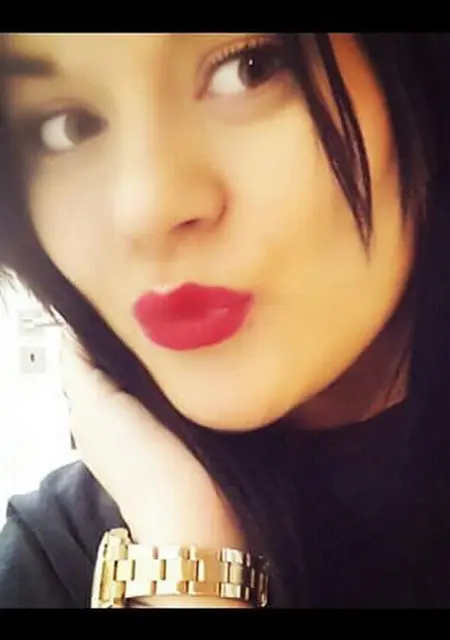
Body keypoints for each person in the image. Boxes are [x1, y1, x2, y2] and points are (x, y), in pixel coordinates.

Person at [0, 32, 449, 608]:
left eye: (249, 69)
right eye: (68, 126)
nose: (145, 209)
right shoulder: (51, 564)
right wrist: (188, 564)